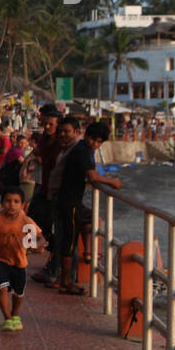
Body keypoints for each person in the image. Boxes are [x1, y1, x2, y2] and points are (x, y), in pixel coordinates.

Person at [54, 120, 121, 294]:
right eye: (94, 140)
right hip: (70, 202)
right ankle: (66, 282)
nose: (95, 144)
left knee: (89, 218)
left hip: (70, 200)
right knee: (69, 242)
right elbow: (92, 176)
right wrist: (112, 181)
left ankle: (89, 252)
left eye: (99, 142)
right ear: (86, 136)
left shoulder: (83, 150)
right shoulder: (83, 152)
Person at [0, 187, 48, 333]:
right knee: (1, 288)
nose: (11, 205)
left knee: (18, 293)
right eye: (8, 201)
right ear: (2, 203)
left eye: (16, 202)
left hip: (19, 263)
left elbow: (40, 238)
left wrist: (38, 246)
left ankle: (15, 314)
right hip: (0, 260)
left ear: (22, 205)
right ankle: (7, 318)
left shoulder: (26, 221)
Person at [26, 104, 64, 284]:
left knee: (59, 232)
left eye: (51, 124)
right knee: (31, 218)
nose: (47, 127)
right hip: (44, 189)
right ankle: (45, 248)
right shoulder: (45, 140)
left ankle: (54, 269)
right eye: (45, 124)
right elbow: (37, 152)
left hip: (57, 193)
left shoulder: (60, 143)